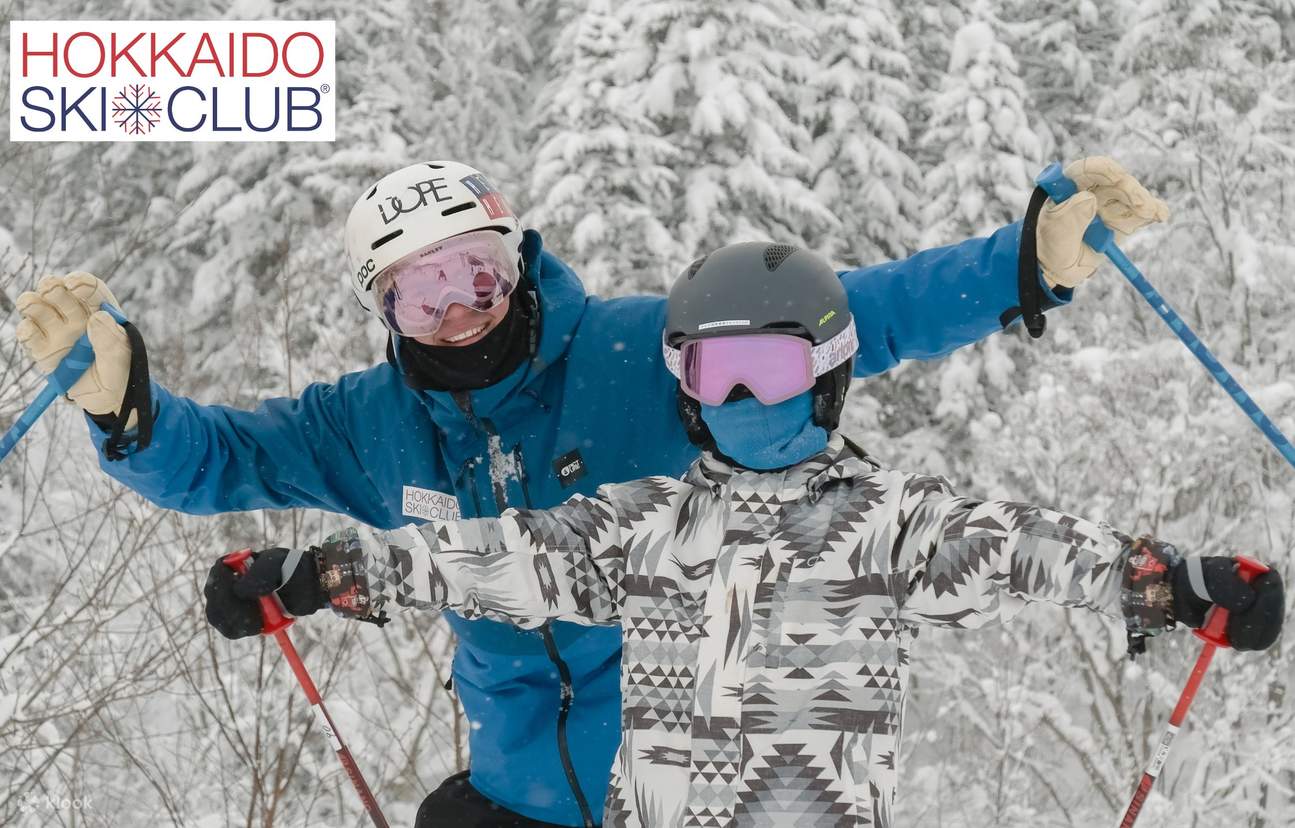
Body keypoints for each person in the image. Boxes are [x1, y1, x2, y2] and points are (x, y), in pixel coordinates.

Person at [16, 157, 1169, 827]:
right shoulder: (371, 424)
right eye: (423, 296)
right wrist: (129, 412)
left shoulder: (633, 355)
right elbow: (219, 459)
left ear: (518, 263)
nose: (460, 310)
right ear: (385, 311)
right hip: (517, 793)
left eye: (479, 272)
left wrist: (1020, 266)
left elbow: (852, 316)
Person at [202, 241, 1285, 827]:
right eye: (712, 375)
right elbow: (474, 559)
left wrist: (1179, 584)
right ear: (681, 391)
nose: (741, 400)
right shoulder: (641, 529)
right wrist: (317, 573)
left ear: (825, 378)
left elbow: (1041, 550)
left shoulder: (893, 525)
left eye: (767, 371)